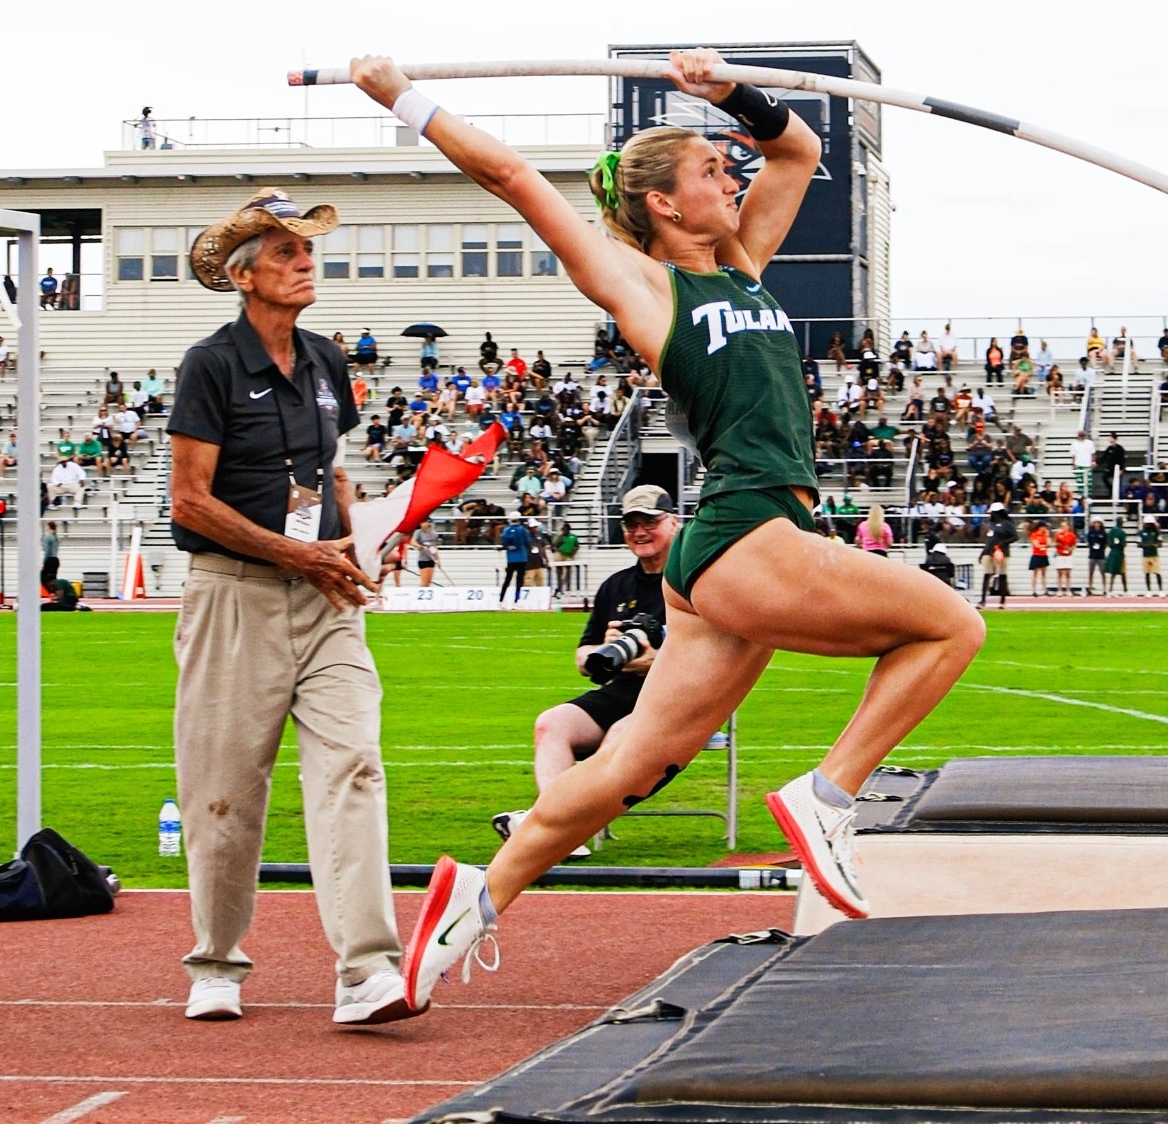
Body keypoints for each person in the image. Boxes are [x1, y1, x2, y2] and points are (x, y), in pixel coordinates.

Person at [351, 50, 983, 1010]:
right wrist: (399, 95)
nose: (730, 174)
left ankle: (475, 901)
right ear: (664, 207)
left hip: (720, 553)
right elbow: (514, 177)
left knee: (628, 766)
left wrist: (726, 92)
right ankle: (828, 797)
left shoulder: (742, 266)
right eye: (706, 169)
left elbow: (798, 148)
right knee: (949, 627)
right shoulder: (645, 288)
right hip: (745, 528)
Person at [166, 188, 411, 1025]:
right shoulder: (209, 364)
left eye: (308, 253)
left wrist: (359, 535)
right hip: (233, 599)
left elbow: (326, 470)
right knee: (225, 790)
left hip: (326, 597)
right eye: (285, 254)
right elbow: (189, 503)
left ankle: (368, 972)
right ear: (244, 277)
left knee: (356, 767)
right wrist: (297, 552)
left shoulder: (325, 360)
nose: (306, 264)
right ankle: (217, 962)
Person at [500, 486, 678, 858]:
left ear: (674, 523)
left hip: (675, 696)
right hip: (621, 689)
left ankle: (550, 827)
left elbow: (712, 658)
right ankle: (562, 831)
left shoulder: (692, 582)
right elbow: (584, 654)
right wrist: (603, 652)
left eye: (650, 522)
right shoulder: (616, 585)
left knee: (619, 737)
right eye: (631, 524)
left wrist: (651, 658)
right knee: (551, 723)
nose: (640, 531)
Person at [979, 501, 1015, 608]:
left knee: (1002, 576)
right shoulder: (990, 524)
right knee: (987, 574)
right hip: (989, 551)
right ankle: (983, 600)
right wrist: (983, 553)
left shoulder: (1008, 524)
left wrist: (1003, 543)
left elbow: (1015, 537)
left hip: (1002, 552)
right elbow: (988, 540)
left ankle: (1002, 601)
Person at [1138, 515, 1165, 597]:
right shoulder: (1141, 533)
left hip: (1154, 555)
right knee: (1147, 573)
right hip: (1145, 555)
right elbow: (1139, 544)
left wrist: (1155, 545)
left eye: (1150, 524)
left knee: (1157, 573)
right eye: (1147, 524)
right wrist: (1147, 545)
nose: (1148, 525)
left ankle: (1160, 590)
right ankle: (1148, 590)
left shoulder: (1157, 532)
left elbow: (1160, 543)